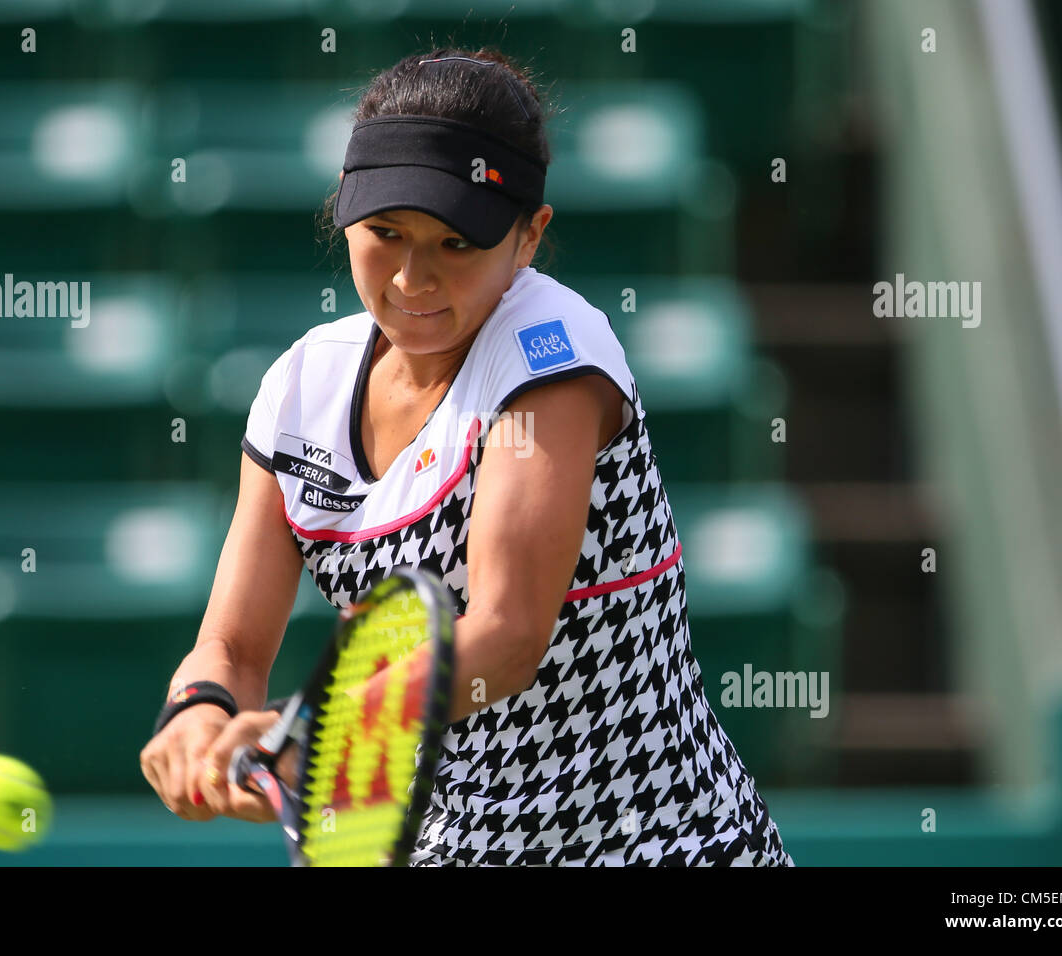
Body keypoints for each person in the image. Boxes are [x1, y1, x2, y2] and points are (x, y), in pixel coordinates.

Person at [140, 47, 794, 867]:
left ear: (530, 237)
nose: (414, 278)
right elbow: (233, 648)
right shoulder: (301, 388)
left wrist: (326, 730)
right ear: (344, 212)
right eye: (385, 234)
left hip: (660, 842)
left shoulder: (553, 355)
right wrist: (197, 714)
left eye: (457, 244)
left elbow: (507, 636)